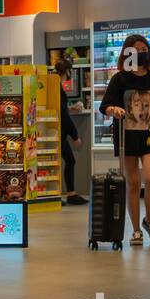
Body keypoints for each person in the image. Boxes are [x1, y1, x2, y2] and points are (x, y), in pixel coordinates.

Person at [99, 34, 150, 246]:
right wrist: (114, 109)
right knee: (133, 184)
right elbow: (105, 106)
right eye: (136, 49)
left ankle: (149, 220)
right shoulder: (119, 79)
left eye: (143, 49)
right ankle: (136, 229)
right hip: (126, 136)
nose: (140, 52)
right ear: (127, 52)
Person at [54, 60, 86, 205]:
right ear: (67, 71)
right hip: (57, 131)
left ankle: (68, 194)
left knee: (68, 160)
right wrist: (75, 135)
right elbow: (62, 114)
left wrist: (70, 108)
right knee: (66, 160)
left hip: (54, 129)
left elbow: (60, 108)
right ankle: (60, 195)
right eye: (70, 71)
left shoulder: (53, 84)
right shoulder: (57, 86)